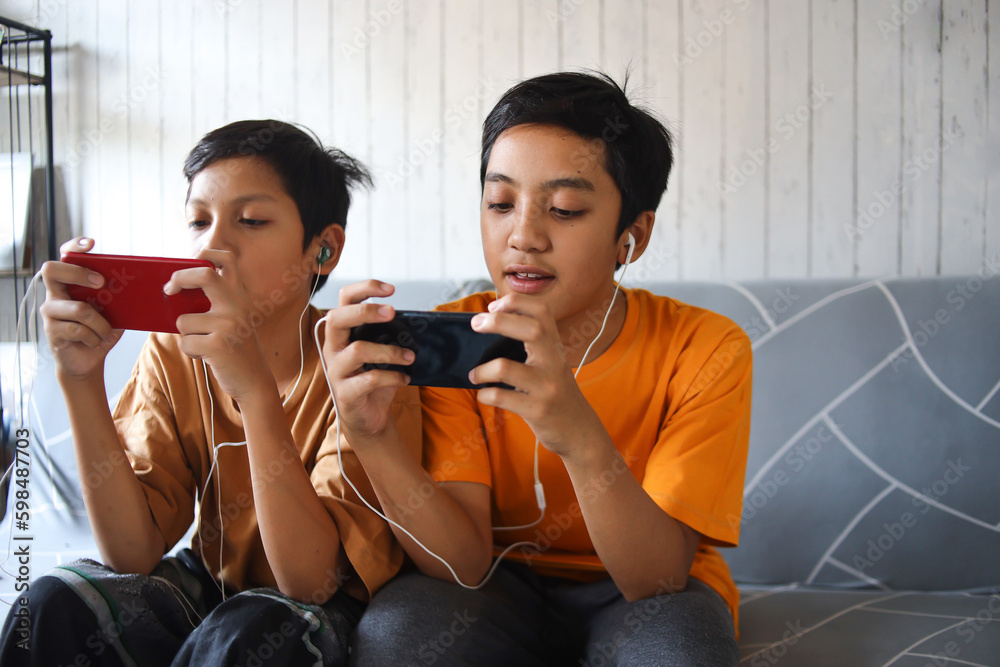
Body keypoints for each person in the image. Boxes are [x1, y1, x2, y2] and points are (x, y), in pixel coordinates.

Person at [323, 72, 752, 666]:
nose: (522, 236)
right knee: (399, 638)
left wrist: (576, 433)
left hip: (646, 588)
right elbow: (462, 565)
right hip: (492, 585)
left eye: (565, 209)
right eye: (500, 203)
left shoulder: (704, 347)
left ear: (632, 235)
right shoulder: (456, 342)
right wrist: (373, 438)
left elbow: (656, 579)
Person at [0, 120, 420, 667]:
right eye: (199, 221)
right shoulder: (175, 353)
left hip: (314, 613)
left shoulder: (360, 366)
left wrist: (255, 393)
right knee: (58, 601)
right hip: (205, 587)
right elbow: (131, 552)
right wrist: (80, 379)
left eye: (250, 220)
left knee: (249, 631)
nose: (212, 245)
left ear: (323, 249)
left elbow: (310, 581)